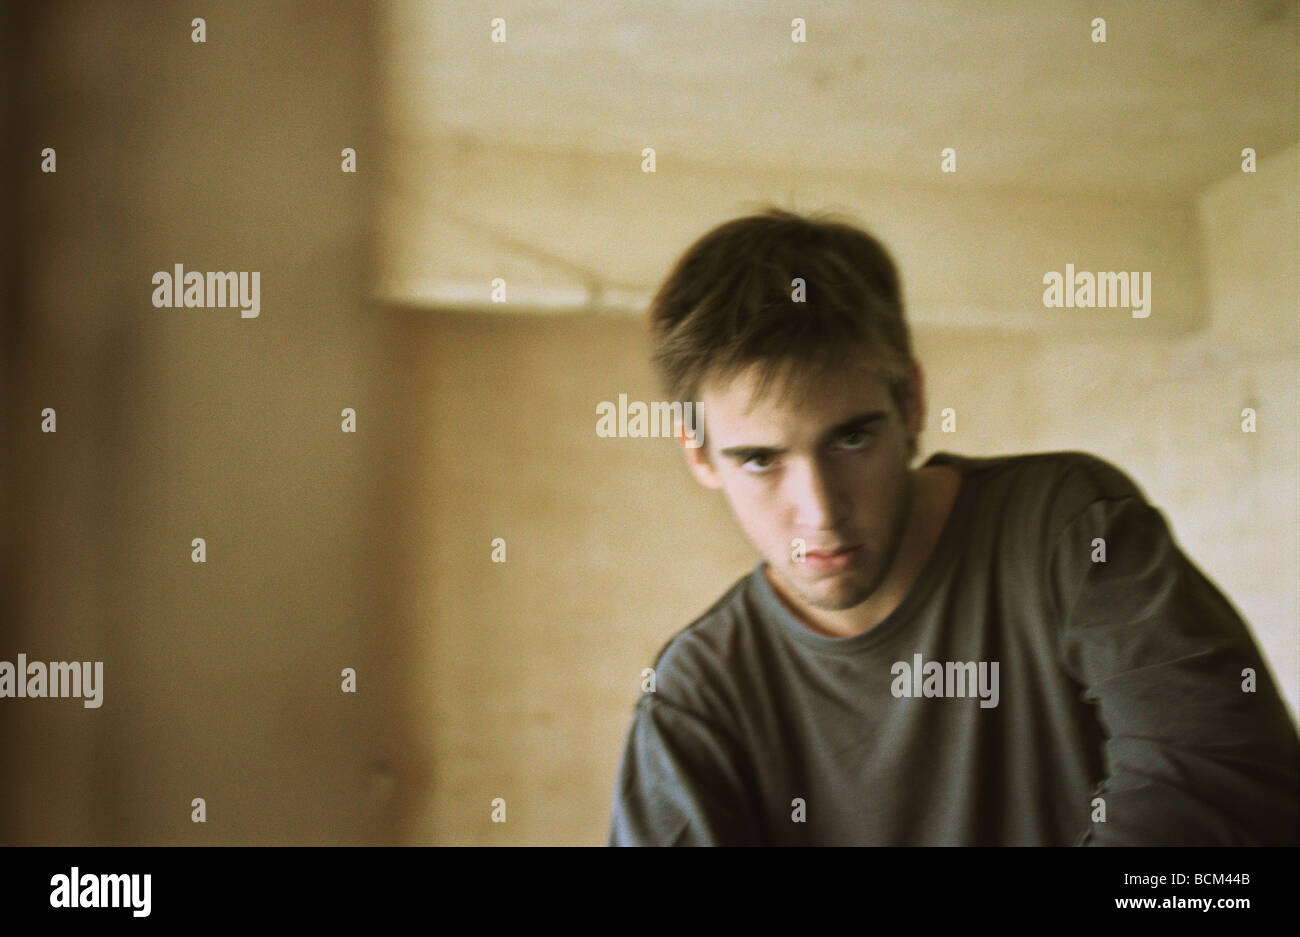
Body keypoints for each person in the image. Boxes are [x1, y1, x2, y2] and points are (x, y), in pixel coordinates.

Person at [607, 208, 1300, 846]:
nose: (819, 509)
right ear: (698, 453)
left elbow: (1229, 797)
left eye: (851, 440)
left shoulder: (1067, 529)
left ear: (910, 402)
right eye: (760, 459)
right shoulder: (696, 696)